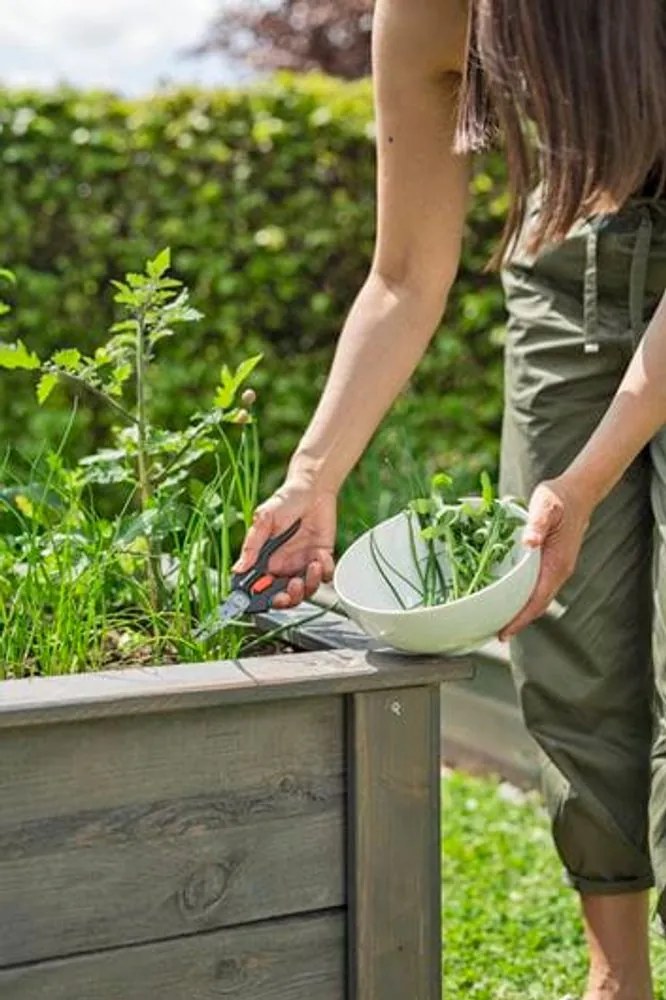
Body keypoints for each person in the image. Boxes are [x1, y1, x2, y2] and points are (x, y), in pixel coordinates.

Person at [232, 2, 666, 997]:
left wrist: (586, 479)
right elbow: (404, 272)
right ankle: (619, 975)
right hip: (568, 268)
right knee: (567, 644)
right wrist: (312, 476)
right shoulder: (429, 12)